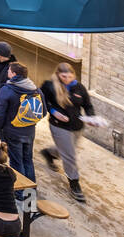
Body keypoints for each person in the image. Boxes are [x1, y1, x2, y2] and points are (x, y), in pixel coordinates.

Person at [40, 62, 94, 202]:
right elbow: (43, 101)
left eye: (70, 76)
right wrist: (53, 112)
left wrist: (90, 117)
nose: (67, 79)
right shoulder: (49, 86)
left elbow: (87, 105)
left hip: (77, 126)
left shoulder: (79, 87)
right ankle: (74, 184)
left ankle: (49, 153)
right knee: (70, 156)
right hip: (59, 126)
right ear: (58, 74)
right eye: (64, 76)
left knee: (66, 151)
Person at [0, 61, 44, 185]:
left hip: (12, 132)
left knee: (16, 162)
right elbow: (43, 112)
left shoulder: (7, 89)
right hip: (30, 132)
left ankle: (19, 193)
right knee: (28, 160)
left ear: (14, 74)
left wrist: (2, 129)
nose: (7, 72)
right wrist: (30, 123)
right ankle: (30, 192)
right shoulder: (36, 90)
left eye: (9, 70)